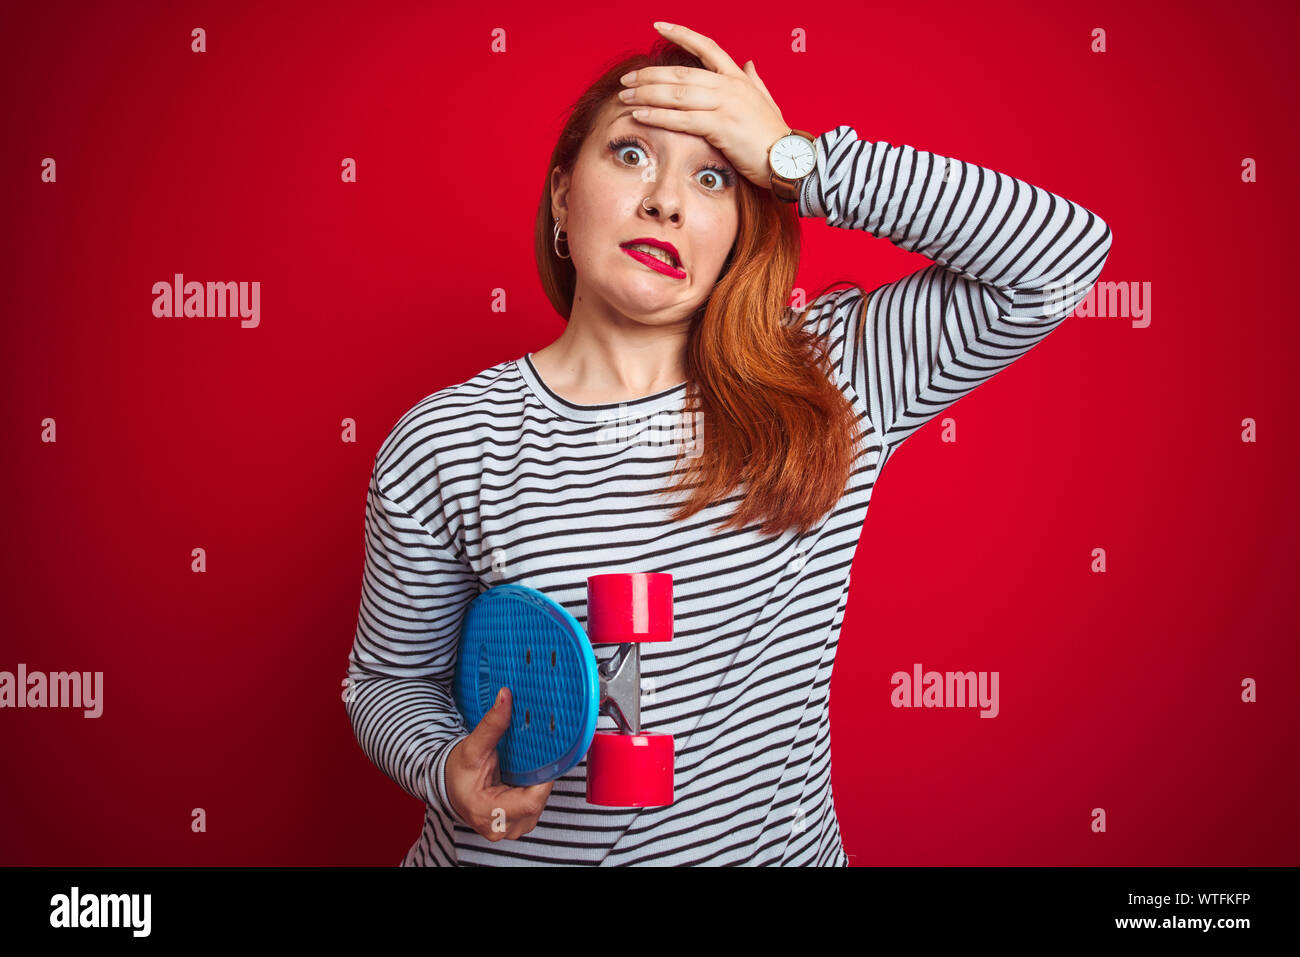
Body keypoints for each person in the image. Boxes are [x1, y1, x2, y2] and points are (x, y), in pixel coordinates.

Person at [343, 22, 1112, 866]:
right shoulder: (448, 437)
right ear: (563, 195)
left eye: (712, 176)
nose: (665, 201)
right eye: (631, 155)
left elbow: (1061, 257)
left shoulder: (835, 377)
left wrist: (798, 160)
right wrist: (443, 766)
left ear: (742, 227)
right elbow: (388, 685)